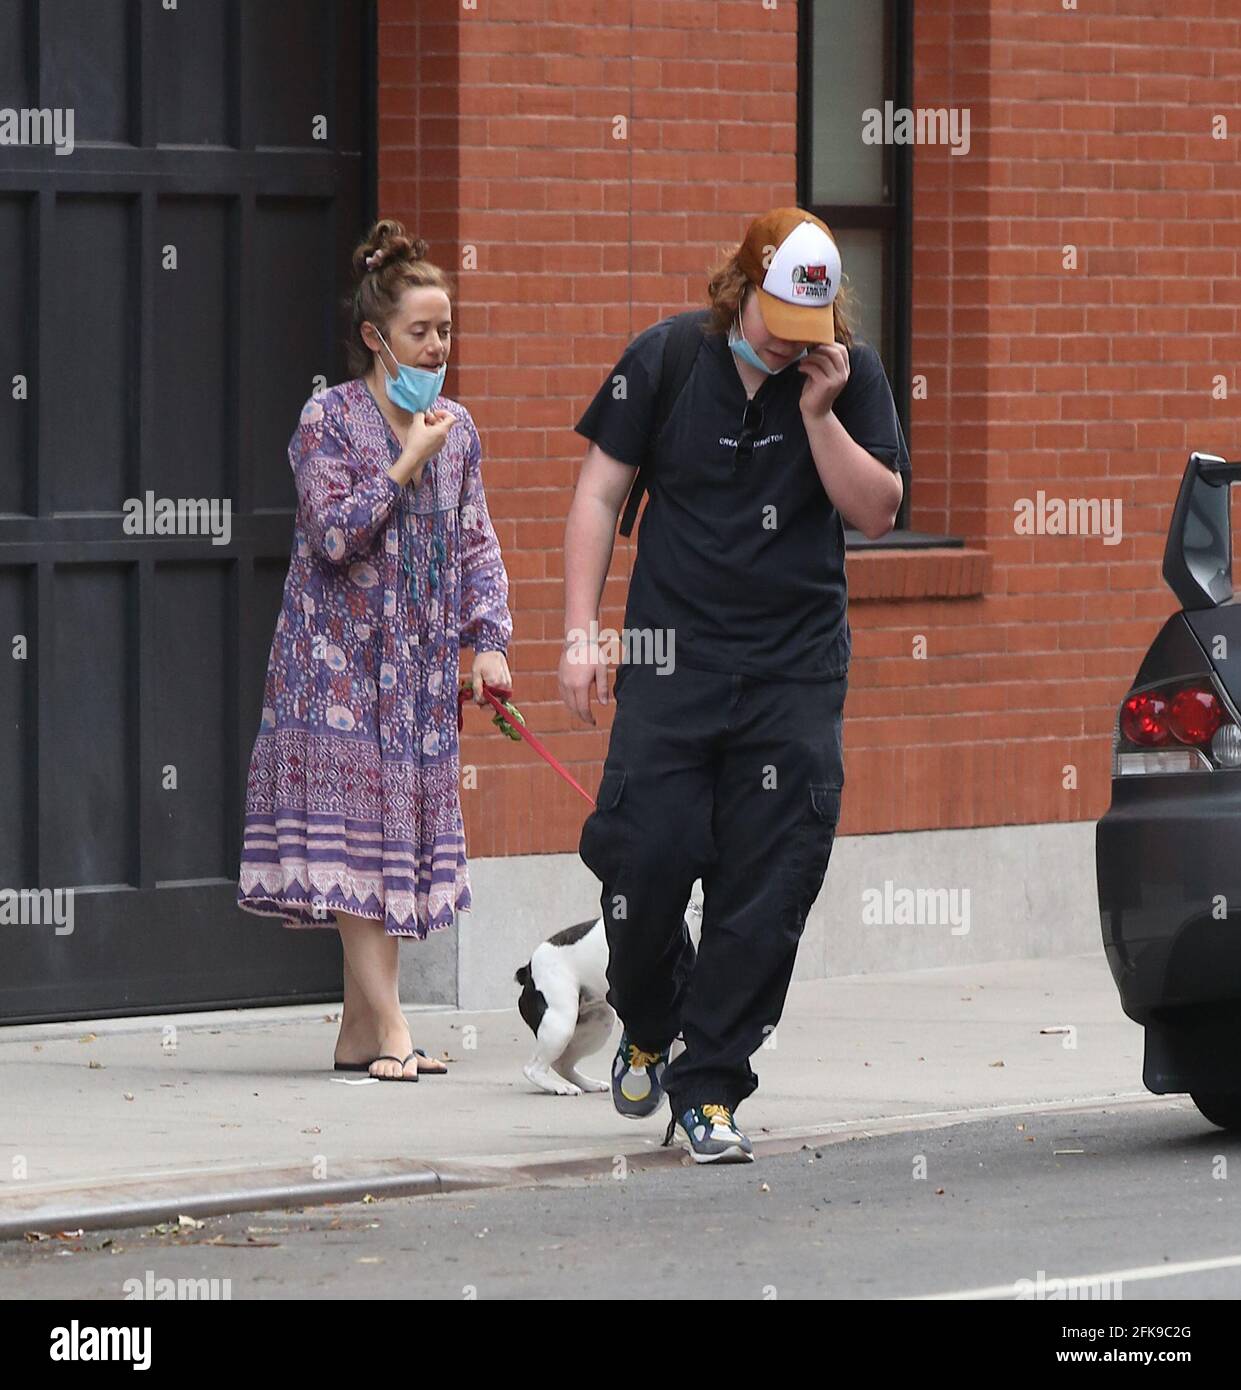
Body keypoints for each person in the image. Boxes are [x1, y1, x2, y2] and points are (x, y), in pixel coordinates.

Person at [561, 207, 907, 1161]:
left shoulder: (847, 376)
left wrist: (818, 415)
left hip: (791, 675)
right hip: (672, 667)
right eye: (773, 325)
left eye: (810, 331)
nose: (788, 346)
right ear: (740, 287)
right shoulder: (668, 358)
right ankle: (646, 1017)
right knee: (645, 861)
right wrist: (580, 631)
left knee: (766, 889)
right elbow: (596, 490)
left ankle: (708, 1085)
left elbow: (877, 511)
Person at [237, 219, 513, 1081]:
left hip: (420, 675)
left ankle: (361, 1031)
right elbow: (331, 535)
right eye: (418, 332)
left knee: (390, 845)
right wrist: (402, 465)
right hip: (332, 673)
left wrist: (489, 646)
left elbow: (476, 544)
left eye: (444, 330)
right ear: (375, 338)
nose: (436, 345)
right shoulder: (327, 419)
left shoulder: (456, 429)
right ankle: (392, 1031)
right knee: (357, 845)